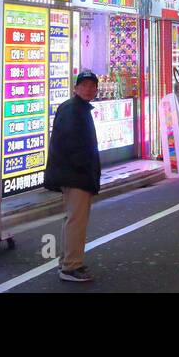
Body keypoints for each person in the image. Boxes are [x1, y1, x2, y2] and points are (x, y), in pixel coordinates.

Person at [45, 69, 103, 283]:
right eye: (84, 85)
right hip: (75, 175)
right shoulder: (74, 110)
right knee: (76, 220)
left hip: (73, 174)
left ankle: (67, 262)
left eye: (92, 85)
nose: (89, 89)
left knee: (72, 219)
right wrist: (85, 169)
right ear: (75, 88)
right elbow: (73, 145)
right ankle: (71, 267)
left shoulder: (76, 108)